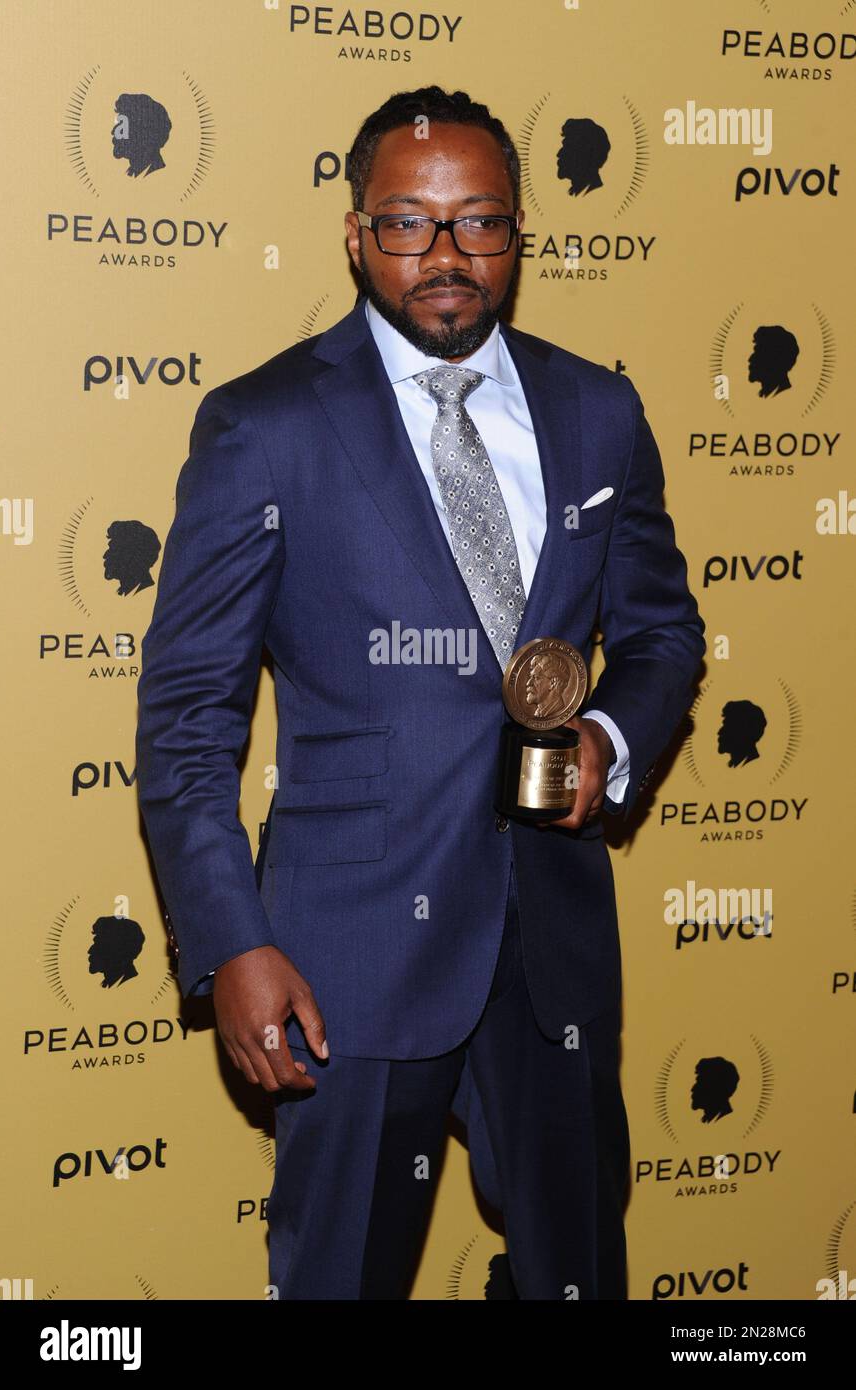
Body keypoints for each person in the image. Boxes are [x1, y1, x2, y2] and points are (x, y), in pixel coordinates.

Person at [135, 85, 705, 1300]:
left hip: (548, 935)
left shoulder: (597, 411)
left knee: (577, 1277)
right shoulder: (263, 425)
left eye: (476, 223)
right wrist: (231, 943)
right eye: (407, 223)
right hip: (344, 958)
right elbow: (188, 723)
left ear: (515, 234)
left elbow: (661, 630)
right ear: (356, 234)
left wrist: (610, 732)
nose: (444, 257)